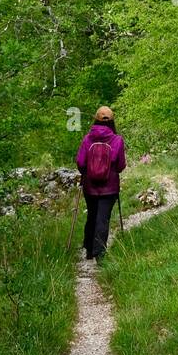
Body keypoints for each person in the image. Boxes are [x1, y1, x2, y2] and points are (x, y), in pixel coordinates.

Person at [76, 106, 126, 261]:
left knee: (92, 215)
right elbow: (120, 166)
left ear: (95, 120)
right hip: (109, 187)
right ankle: (100, 253)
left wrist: (87, 172)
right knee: (103, 218)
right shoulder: (117, 140)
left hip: (90, 186)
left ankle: (89, 250)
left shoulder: (87, 139)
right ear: (112, 122)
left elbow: (80, 162)